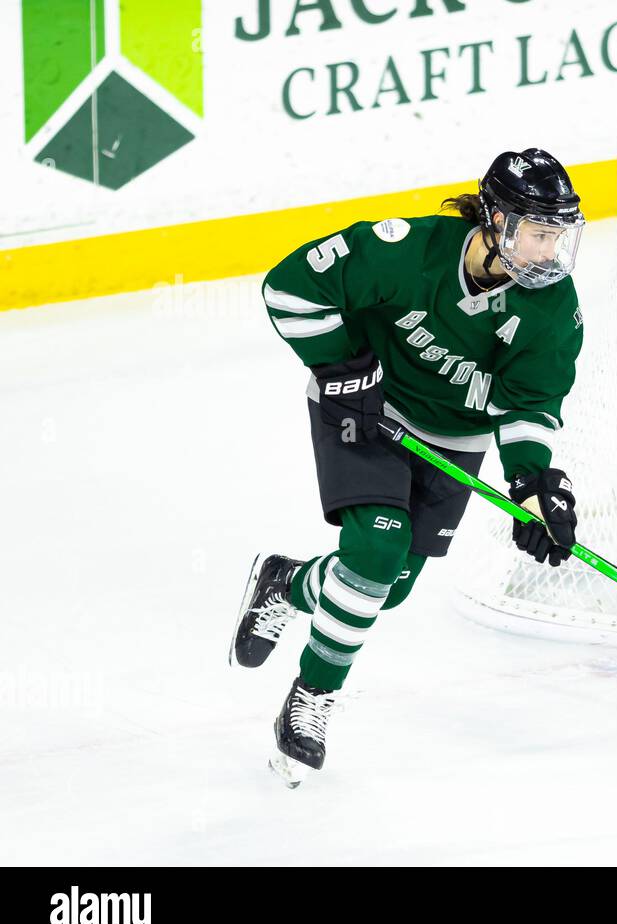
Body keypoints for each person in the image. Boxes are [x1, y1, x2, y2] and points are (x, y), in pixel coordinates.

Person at [230, 148, 587, 785]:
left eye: (559, 236)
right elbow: (287, 288)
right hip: (366, 410)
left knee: (386, 590)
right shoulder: (406, 251)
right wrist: (340, 366)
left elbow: (530, 404)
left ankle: (286, 583)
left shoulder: (553, 308)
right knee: (374, 553)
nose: (550, 252)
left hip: (454, 440)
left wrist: (532, 485)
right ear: (497, 222)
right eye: (538, 234)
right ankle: (311, 699)